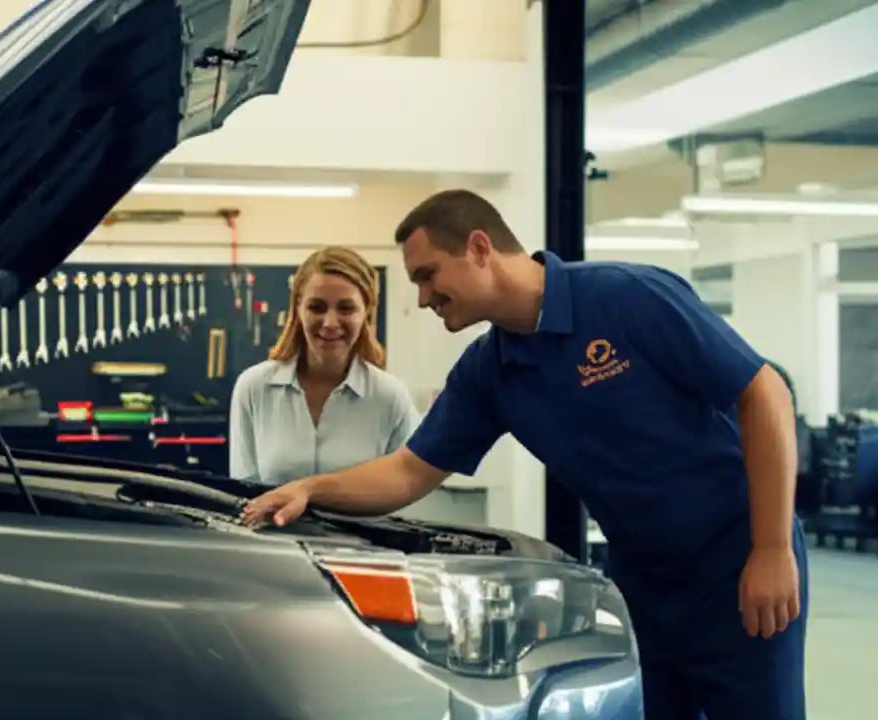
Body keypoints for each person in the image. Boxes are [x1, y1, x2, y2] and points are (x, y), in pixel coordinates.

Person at [240, 190, 807, 720]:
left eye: (428, 275)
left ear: (479, 248)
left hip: (738, 559)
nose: (422, 297)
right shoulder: (489, 372)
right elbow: (408, 471)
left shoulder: (626, 297)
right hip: (642, 582)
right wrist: (313, 489)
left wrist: (772, 546)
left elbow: (763, 392)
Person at [228, 246, 421, 486]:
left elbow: (398, 490)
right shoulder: (254, 388)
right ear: (298, 309)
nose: (330, 323)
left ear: (366, 311)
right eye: (316, 307)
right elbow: (243, 489)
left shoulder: (390, 397)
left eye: (346, 308)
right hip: (271, 526)